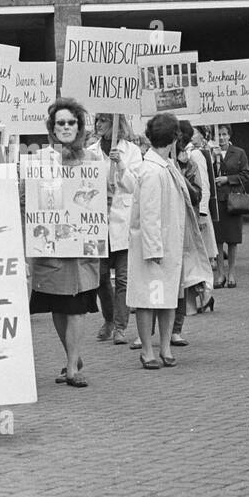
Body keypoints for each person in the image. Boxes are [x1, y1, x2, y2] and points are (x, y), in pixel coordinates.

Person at [127, 113, 213, 370]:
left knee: (167, 299)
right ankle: (147, 350)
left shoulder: (166, 166)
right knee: (148, 299)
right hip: (156, 249)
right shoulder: (153, 171)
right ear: (173, 138)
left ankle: (164, 347)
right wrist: (154, 249)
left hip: (170, 246)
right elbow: (150, 214)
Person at [28, 99, 102, 389]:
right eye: (61, 123)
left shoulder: (95, 160)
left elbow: (107, 196)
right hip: (52, 248)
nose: (67, 127)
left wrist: (116, 171)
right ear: (52, 127)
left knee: (78, 307)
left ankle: (72, 367)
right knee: (59, 306)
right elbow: (28, 198)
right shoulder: (40, 159)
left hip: (82, 248)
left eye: (72, 122)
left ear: (79, 126)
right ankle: (72, 354)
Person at [94, 114, 141, 346]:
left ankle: (121, 326)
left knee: (122, 278)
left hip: (123, 221)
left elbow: (134, 186)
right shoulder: (91, 151)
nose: (99, 125)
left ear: (115, 123)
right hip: (98, 223)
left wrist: (120, 164)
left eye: (104, 120)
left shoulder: (131, 151)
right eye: (98, 120)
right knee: (101, 277)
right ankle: (109, 319)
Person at [170, 121, 215, 344]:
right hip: (167, 225)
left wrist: (181, 178)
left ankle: (177, 327)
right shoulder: (159, 160)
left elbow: (198, 192)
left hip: (186, 223)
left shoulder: (189, 163)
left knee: (183, 274)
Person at [211, 126, 249, 288]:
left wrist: (228, 179)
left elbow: (246, 174)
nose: (221, 138)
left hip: (233, 200)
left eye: (224, 135)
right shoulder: (211, 153)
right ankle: (220, 273)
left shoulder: (239, 152)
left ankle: (232, 273)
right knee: (219, 239)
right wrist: (213, 159)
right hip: (218, 201)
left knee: (233, 239)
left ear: (229, 136)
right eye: (219, 135)